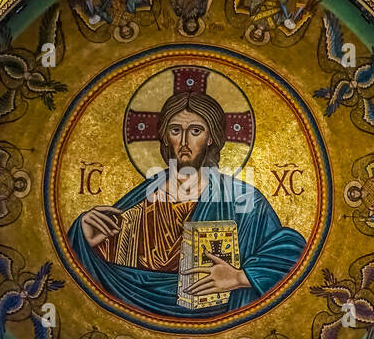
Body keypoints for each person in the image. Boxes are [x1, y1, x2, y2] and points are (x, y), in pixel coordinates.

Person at [69, 90, 306, 317]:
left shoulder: (243, 198)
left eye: (195, 130)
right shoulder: (141, 198)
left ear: (211, 136)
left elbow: (291, 252)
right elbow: (96, 267)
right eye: (175, 130)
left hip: (216, 317)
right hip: (134, 314)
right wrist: (83, 235)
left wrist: (240, 278)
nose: (184, 141)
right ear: (164, 136)